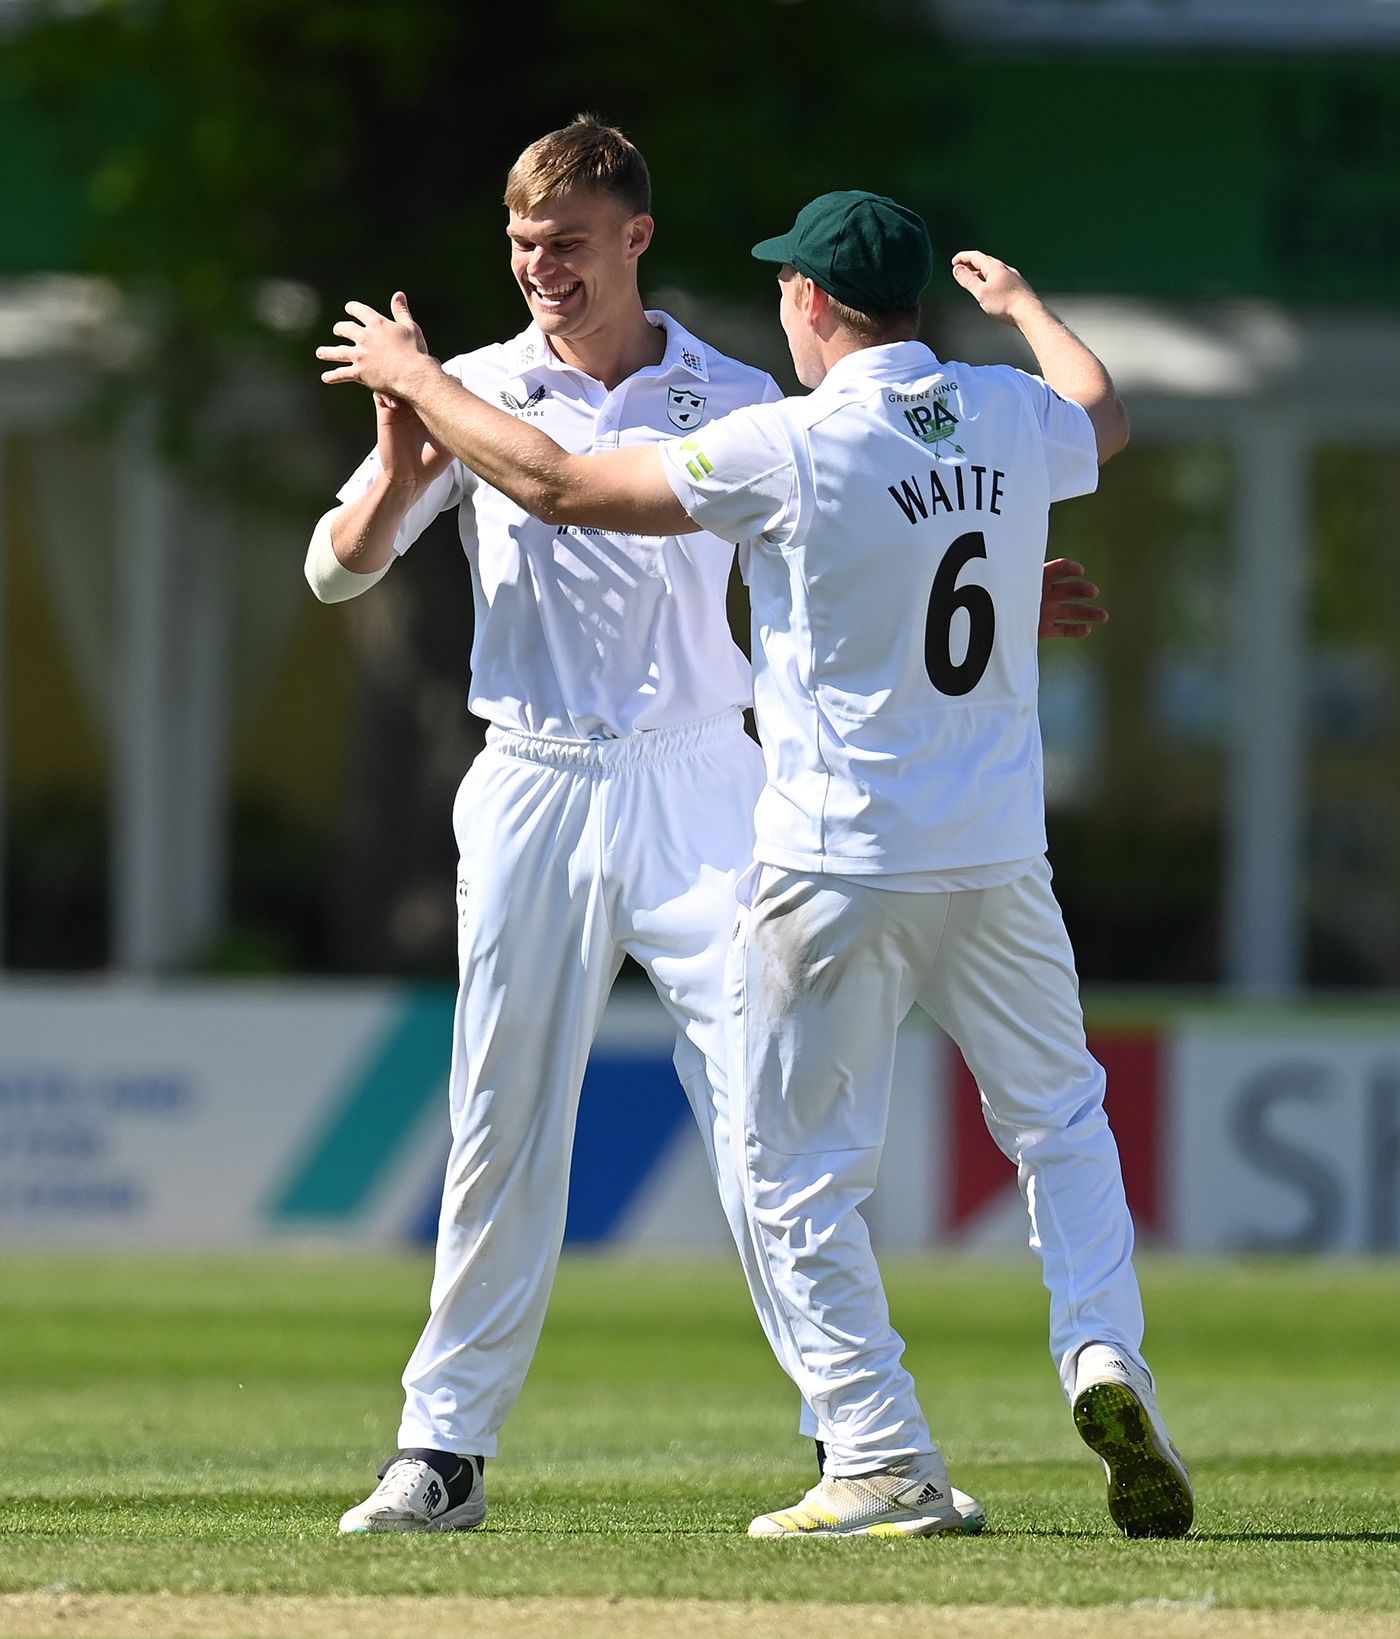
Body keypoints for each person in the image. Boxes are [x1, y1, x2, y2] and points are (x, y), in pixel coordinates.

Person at [312, 124, 1105, 1539]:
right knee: (504, 1116)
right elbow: (338, 566)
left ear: (635, 238)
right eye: (519, 246)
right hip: (534, 775)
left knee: (765, 1110)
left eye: (563, 242)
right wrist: (393, 448)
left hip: (703, 779)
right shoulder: (473, 387)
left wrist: (980, 590)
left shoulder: (740, 394)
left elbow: (857, 544)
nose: (537, 269)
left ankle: (854, 1437)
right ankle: (442, 1449)